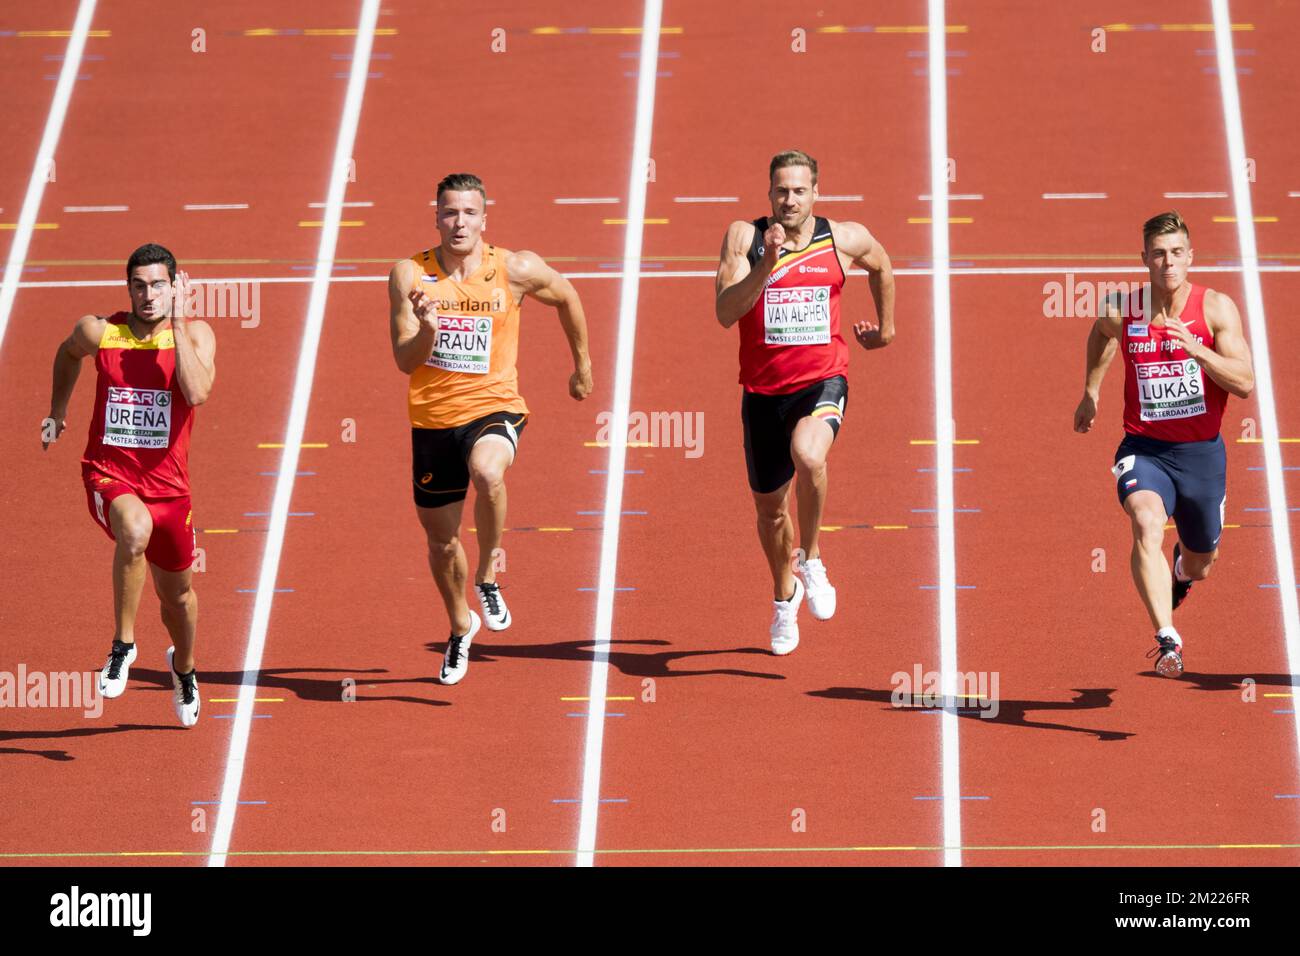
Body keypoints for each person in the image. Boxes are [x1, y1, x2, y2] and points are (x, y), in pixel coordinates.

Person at [389, 173, 593, 685]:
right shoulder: (409, 275)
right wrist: (430, 330)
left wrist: (583, 366)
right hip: (433, 420)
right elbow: (403, 359)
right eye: (450, 212)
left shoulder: (514, 269)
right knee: (440, 544)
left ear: (485, 218)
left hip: (495, 406)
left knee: (488, 471)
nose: (459, 223)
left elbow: (568, 296)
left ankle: (487, 576)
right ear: (436, 216)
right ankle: (461, 623)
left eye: (469, 213)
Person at [715, 150, 895, 655]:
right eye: (780, 191)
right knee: (771, 513)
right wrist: (766, 266)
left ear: (816, 192)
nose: (789, 200)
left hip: (822, 382)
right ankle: (783, 596)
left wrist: (886, 330)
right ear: (768, 194)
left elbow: (881, 264)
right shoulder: (744, 238)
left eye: (799, 191)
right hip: (761, 394)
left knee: (810, 454)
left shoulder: (842, 238)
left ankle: (811, 558)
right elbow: (725, 312)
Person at [1074, 211, 1254, 677]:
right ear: (1145, 259)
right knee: (1146, 522)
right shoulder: (1124, 309)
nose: (1167, 263)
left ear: (1190, 257)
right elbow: (1099, 334)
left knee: (1202, 563)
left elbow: (1245, 383)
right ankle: (1166, 635)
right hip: (1145, 449)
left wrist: (1199, 350)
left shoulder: (1215, 309)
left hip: (1201, 457)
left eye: (1176, 253)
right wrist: (1091, 392)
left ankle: (1180, 574)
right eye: (1158, 254)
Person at [44, 243, 216, 725]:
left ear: (176, 286)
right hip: (108, 475)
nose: (148, 295)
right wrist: (58, 411)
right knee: (133, 530)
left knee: (178, 598)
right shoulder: (101, 331)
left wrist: (179, 324)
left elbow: (198, 391)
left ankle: (184, 668)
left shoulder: (197, 334)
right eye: (138, 285)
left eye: (158, 285)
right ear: (128, 288)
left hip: (170, 489)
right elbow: (66, 353)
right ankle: (123, 644)